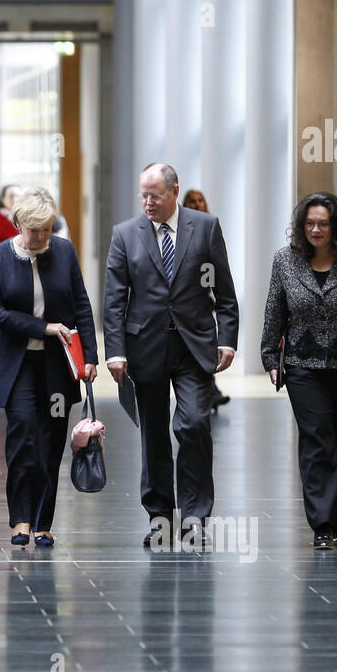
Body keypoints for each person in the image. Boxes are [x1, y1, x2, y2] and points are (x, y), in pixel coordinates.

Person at [102, 163, 239, 548]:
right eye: (142, 195)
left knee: (194, 425)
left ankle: (195, 518)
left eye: (155, 195)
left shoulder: (205, 227)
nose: (147, 202)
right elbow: (114, 300)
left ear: (174, 192)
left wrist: (227, 339)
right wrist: (115, 352)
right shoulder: (125, 235)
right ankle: (160, 517)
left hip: (194, 347)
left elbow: (224, 291)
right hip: (144, 347)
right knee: (154, 437)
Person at [261, 193, 337, 549]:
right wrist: (270, 358)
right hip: (304, 365)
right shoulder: (285, 260)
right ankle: (321, 524)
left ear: (336, 227)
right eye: (310, 223)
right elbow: (274, 310)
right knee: (318, 440)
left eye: (323, 223)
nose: (316, 230)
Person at [0, 188, 98, 547]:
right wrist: (43, 327)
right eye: (34, 230)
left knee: (51, 441)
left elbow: (80, 304)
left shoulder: (63, 251)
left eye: (47, 229)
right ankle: (19, 519)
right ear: (18, 224)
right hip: (16, 365)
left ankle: (42, 523)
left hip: (56, 364)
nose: (40, 237)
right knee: (22, 437)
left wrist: (90, 356)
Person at [181, 188, 231, 412]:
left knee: (202, 354)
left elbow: (215, 273)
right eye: (192, 201)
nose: (197, 204)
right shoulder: (181, 232)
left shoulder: (210, 230)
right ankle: (212, 393)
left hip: (202, 306)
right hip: (182, 307)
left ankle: (212, 393)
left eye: (200, 200)